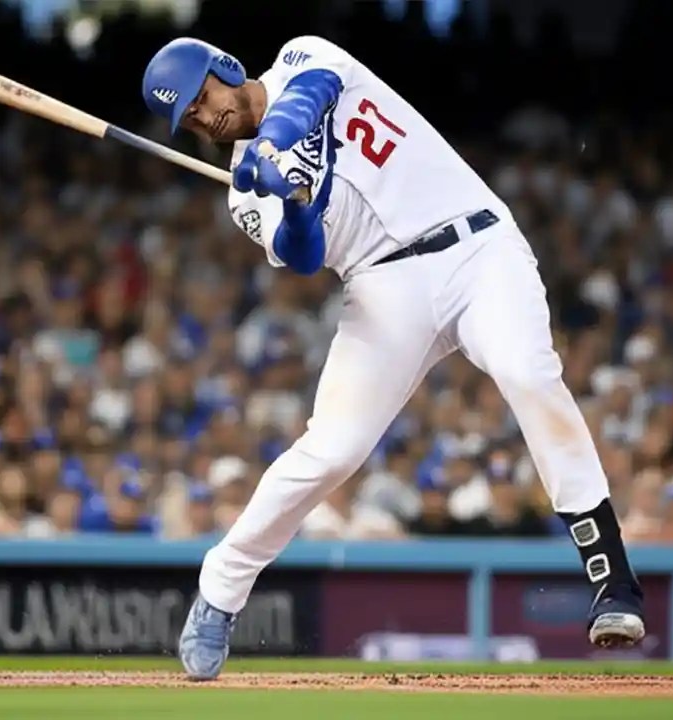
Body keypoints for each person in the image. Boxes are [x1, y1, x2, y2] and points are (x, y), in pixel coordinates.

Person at [141, 36, 645, 680]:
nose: (202, 117)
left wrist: (277, 148)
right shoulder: (244, 195)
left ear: (225, 69)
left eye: (202, 97)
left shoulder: (301, 56)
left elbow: (310, 95)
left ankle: (613, 581)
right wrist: (295, 200)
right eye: (188, 118)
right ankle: (220, 589)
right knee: (333, 449)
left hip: (477, 246)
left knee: (527, 371)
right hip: (382, 285)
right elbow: (302, 256)